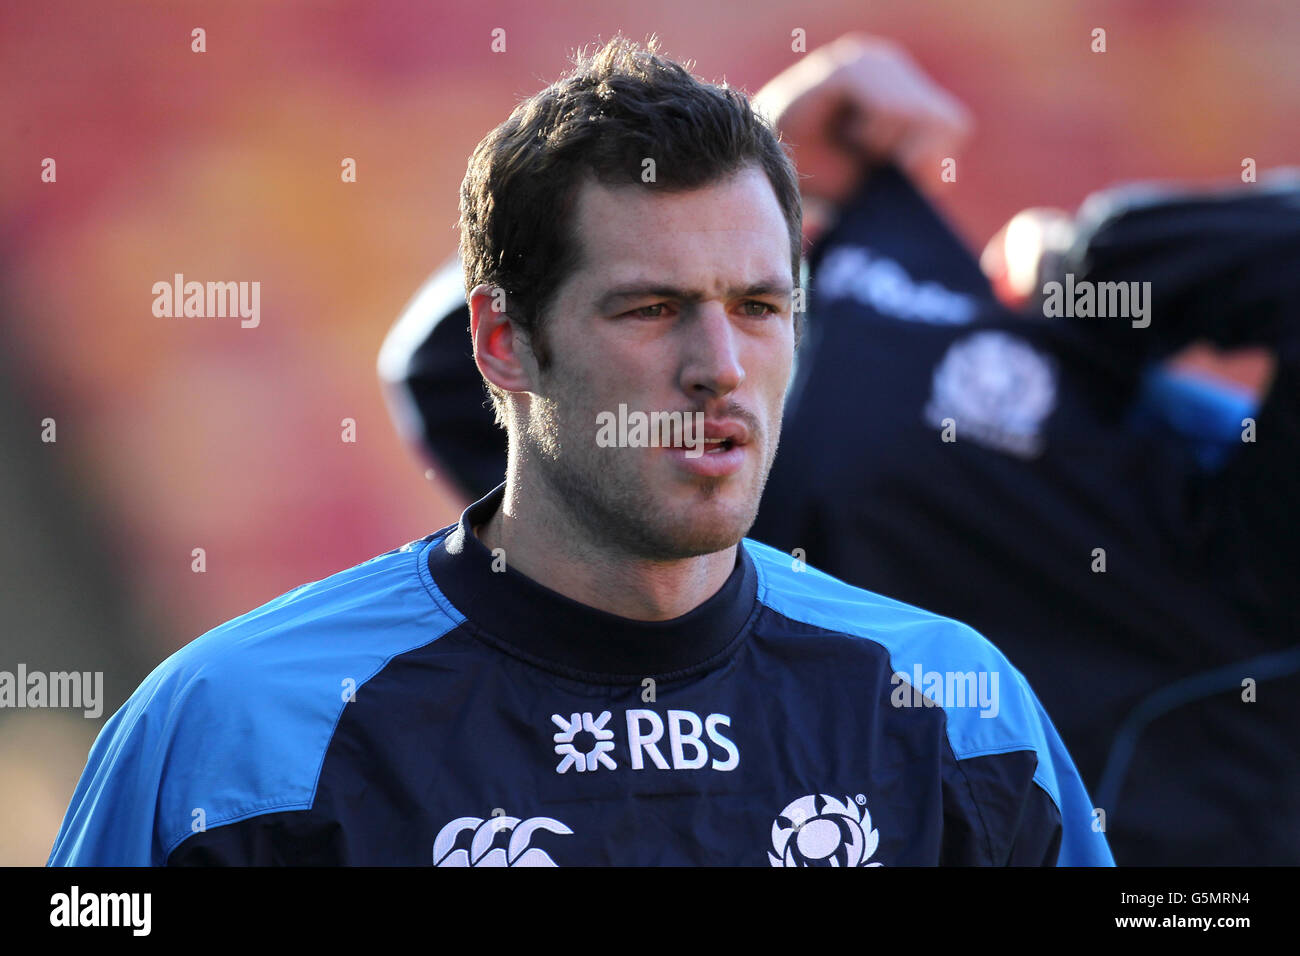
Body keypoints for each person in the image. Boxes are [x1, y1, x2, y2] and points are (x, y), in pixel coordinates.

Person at [48, 34, 1110, 867]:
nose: (718, 365)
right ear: (506, 342)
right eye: (650, 307)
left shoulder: (961, 707)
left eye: (757, 306)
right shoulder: (233, 728)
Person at [378, 34, 1300, 865]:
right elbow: (496, 352)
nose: (721, 360)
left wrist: (1097, 257)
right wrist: (737, 163)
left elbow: (453, 376)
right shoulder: (1151, 430)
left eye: (756, 308)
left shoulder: (1217, 718)